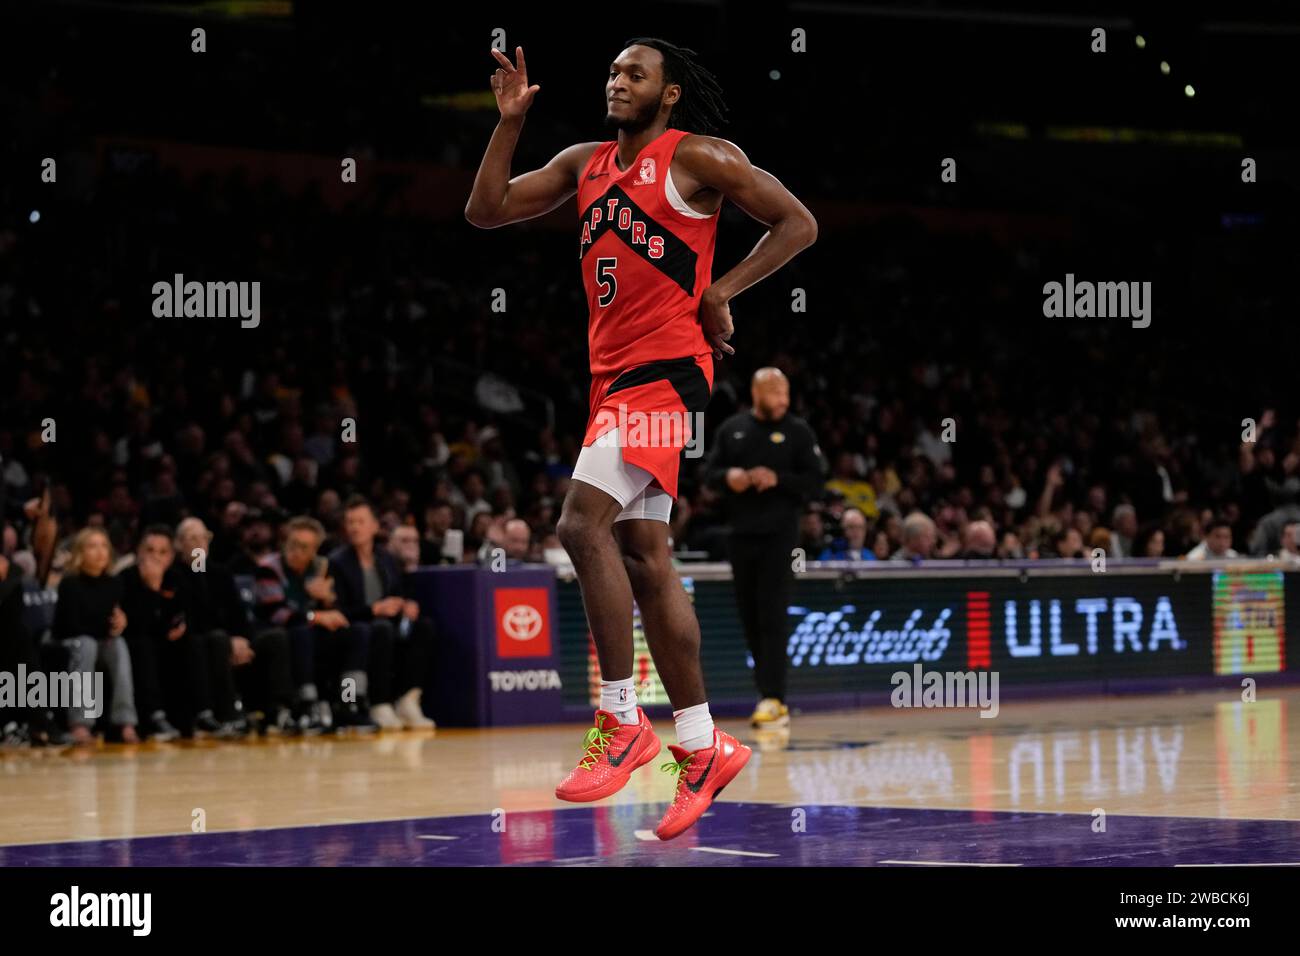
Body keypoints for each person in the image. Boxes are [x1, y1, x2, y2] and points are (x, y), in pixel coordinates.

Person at [466, 37, 817, 839]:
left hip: (667, 374)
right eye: (613, 71)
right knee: (647, 557)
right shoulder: (583, 162)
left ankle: (621, 721)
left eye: (636, 74)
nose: (617, 81)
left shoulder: (697, 155)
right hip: (610, 379)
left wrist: (720, 290)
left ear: (667, 95)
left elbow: (799, 224)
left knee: (577, 523)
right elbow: (485, 211)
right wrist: (510, 123)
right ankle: (702, 745)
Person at [706, 368, 826, 729]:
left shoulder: (798, 432)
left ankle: (774, 698)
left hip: (781, 538)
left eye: (786, 391)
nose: (783, 398)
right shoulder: (733, 429)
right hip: (741, 534)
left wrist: (778, 480)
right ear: (757, 393)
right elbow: (709, 474)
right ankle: (766, 695)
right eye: (775, 390)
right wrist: (732, 478)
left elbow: (816, 480)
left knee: (773, 615)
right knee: (750, 617)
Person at [254, 516, 375, 734]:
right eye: (292, 544)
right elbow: (277, 613)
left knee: (358, 632)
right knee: (302, 632)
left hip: (313, 636)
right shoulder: (269, 568)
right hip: (280, 636)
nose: (296, 551)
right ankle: (307, 704)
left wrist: (328, 601)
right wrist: (312, 613)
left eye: (304, 547)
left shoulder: (322, 567)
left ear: (314, 550)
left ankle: (348, 701)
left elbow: (334, 613)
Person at [328, 497, 436, 730]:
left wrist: (406, 605)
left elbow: (397, 593)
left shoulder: (385, 558)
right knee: (381, 629)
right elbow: (336, 611)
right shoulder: (337, 562)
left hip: (385, 624)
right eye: (350, 522)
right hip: (353, 629)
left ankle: (408, 699)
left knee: (423, 626)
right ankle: (379, 702)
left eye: (360, 521)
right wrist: (373, 609)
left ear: (375, 526)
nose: (354, 527)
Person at [52, 527, 139, 744]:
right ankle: (80, 723)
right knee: (87, 643)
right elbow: (71, 626)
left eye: (103, 546)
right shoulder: (70, 583)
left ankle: (125, 721)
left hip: (98, 640)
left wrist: (121, 623)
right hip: (68, 642)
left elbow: (111, 622)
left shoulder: (114, 584)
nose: (100, 552)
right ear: (80, 553)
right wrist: (105, 625)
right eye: (92, 546)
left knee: (118, 644)